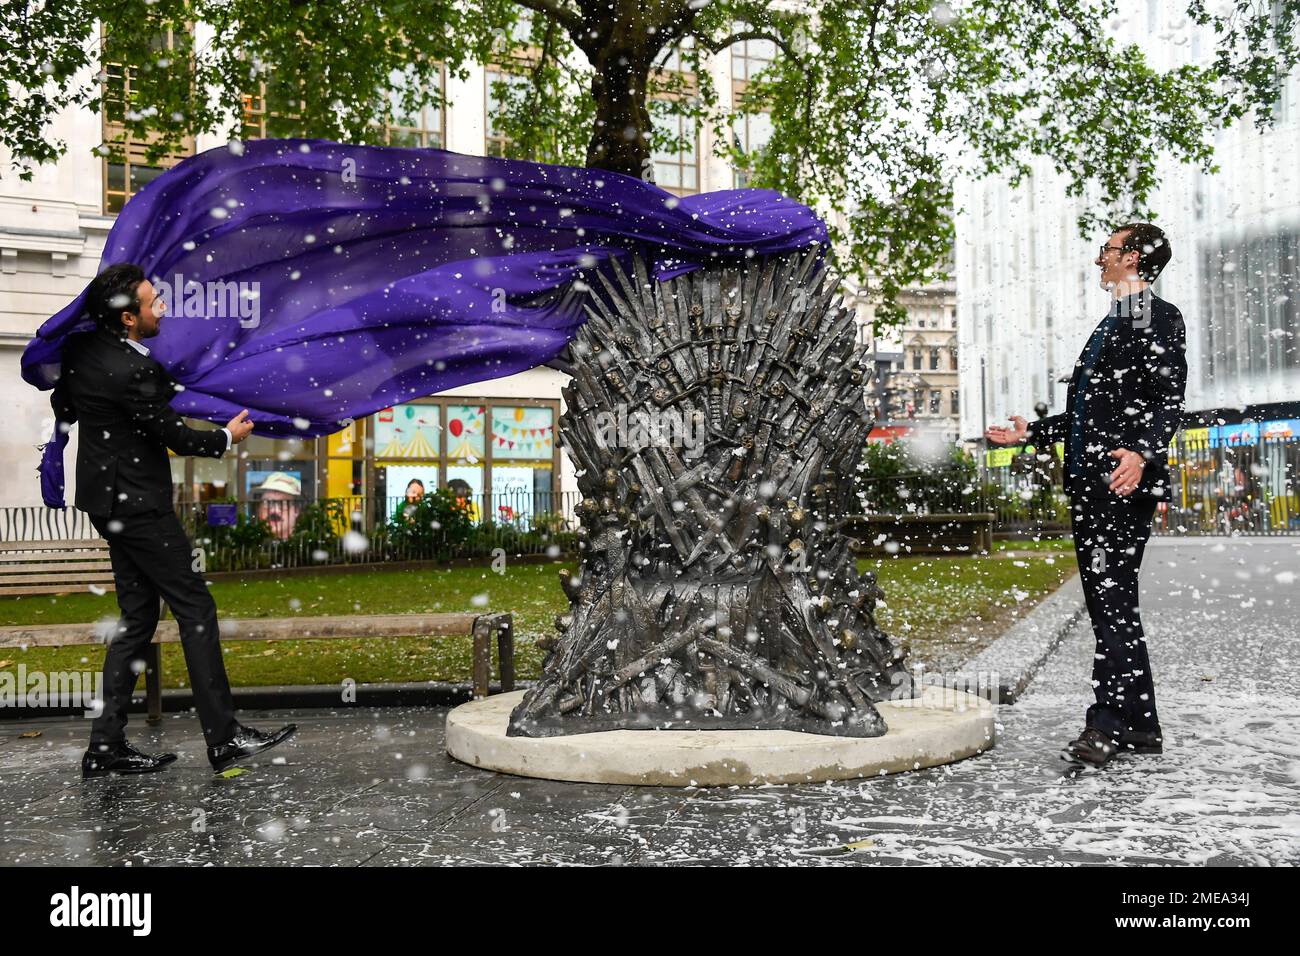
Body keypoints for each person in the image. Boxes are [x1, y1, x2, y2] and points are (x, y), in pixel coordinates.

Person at [52, 263, 297, 776]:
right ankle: (224, 738)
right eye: (152, 301)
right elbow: (178, 436)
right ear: (127, 319)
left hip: (106, 504)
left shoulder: (81, 353)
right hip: (140, 506)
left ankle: (105, 746)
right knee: (196, 608)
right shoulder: (133, 370)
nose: (162, 306)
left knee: (137, 620)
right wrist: (227, 436)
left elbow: (65, 400)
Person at [985, 223, 1187, 767]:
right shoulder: (1115, 321)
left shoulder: (1151, 315)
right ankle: (1142, 727)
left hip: (1117, 484)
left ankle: (1107, 723)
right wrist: (1034, 433)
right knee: (1110, 605)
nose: (1100, 259)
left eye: (1109, 250)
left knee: (1113, 606)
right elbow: (1087, 417)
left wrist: (1141, 452)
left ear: (1134, 258)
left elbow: (1169, 397)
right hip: (1097, 484)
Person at [254, 471, 304, 540]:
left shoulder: (305, 546)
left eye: (283, 503)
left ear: (296, 510)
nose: (274, 510)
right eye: (267, 502)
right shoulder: (249, 546)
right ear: (259, 509)